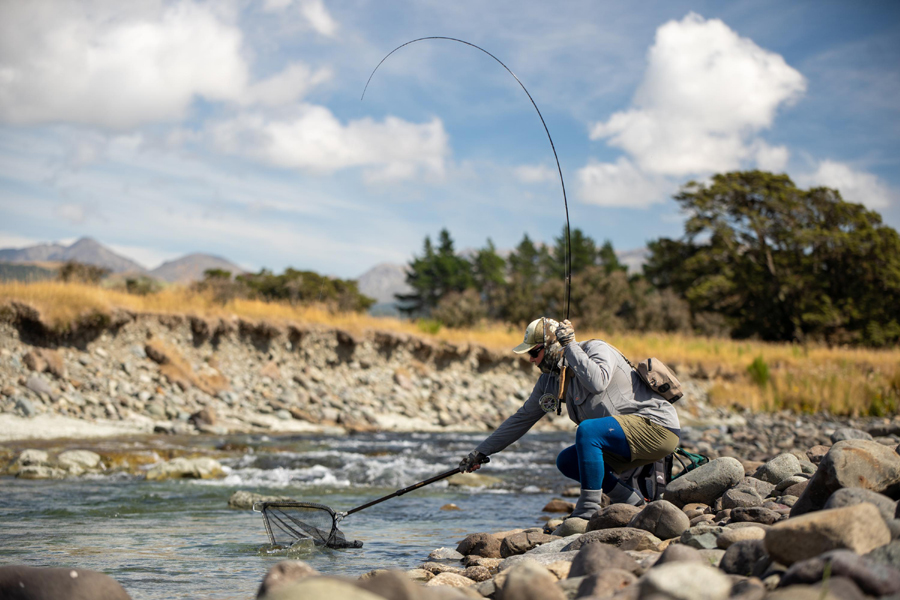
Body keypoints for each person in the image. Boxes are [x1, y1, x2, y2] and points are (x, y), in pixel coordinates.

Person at [459, 317, 681, 520]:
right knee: (567, 460)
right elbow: (522, 419)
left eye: (535, 352)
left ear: (553, 346)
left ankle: (587, 509)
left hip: (658, 429)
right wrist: (481, 452)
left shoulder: (596, 348)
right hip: (623, 439)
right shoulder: (550, 381)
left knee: (588, 431)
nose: (531, 360)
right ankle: (631, 501)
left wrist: (571, 347)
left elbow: (597, 383)